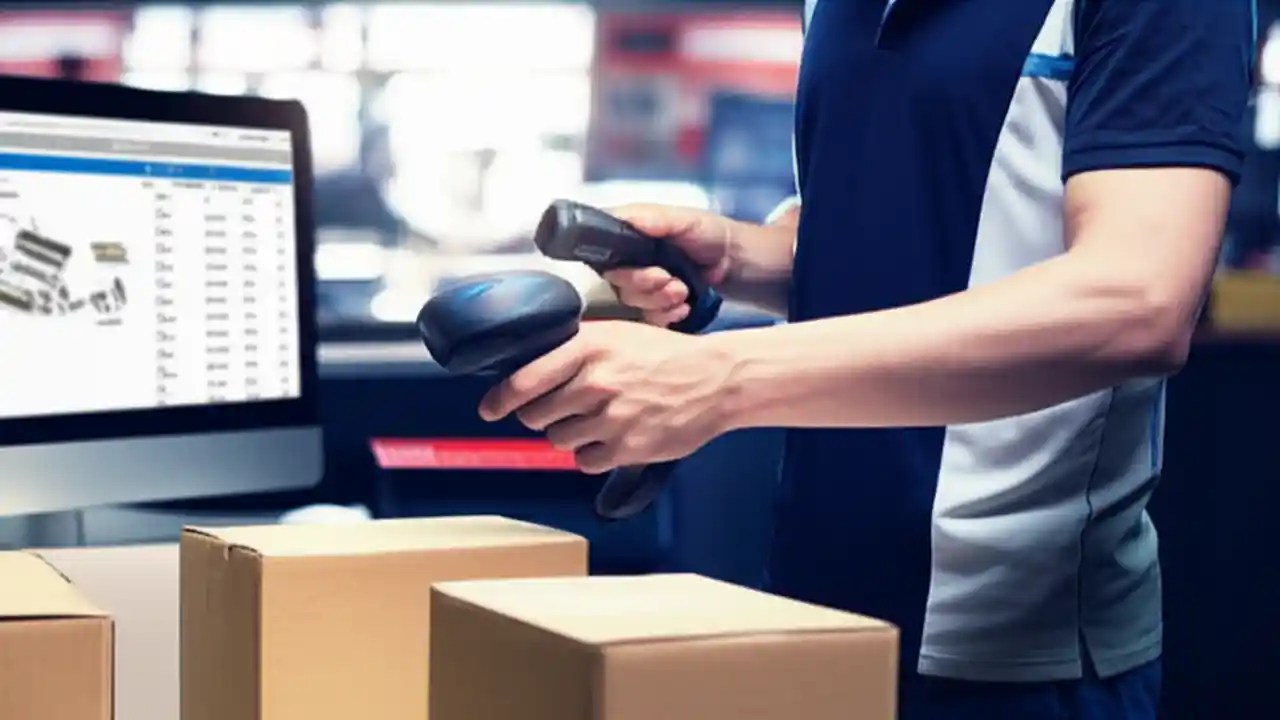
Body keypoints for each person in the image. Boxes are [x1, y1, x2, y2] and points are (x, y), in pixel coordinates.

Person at [479, 1, 1255, 718]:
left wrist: (723, 379)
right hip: (812, 614)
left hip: (1017, 654)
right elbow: (923, 228)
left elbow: (1134, 303)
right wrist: (741, 254)